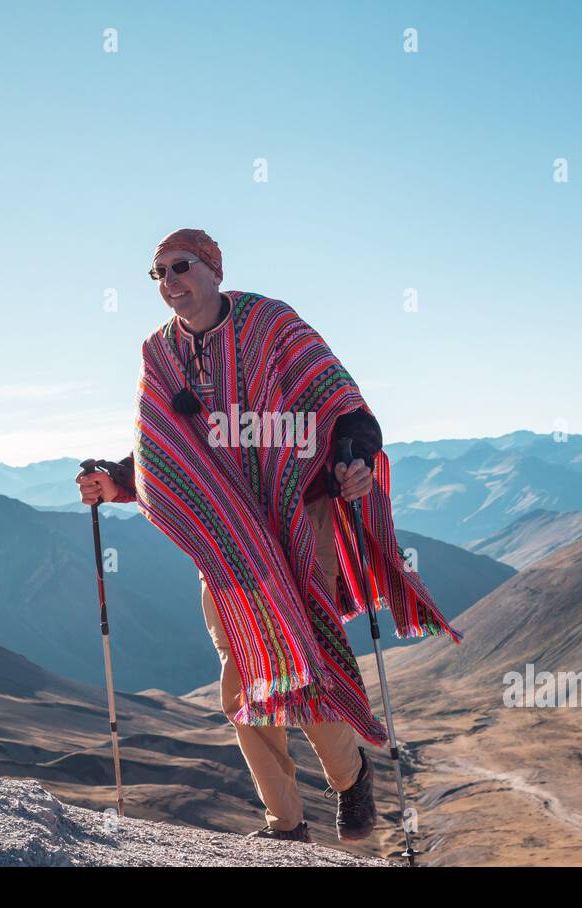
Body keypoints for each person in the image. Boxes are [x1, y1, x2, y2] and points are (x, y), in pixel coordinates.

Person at [78, 228, 462, 844]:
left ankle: (349, 773)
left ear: (213, 269)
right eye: (158, 275)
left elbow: (345, 408)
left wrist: (351, 461)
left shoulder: (271, 324)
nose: (170, 283)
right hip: (226, 535)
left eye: (181, 268)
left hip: (297, 518)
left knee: (298, 657)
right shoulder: (158, 353)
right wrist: (116, 482)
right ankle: (286, 824)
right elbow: (162, 453)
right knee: (240, 670)